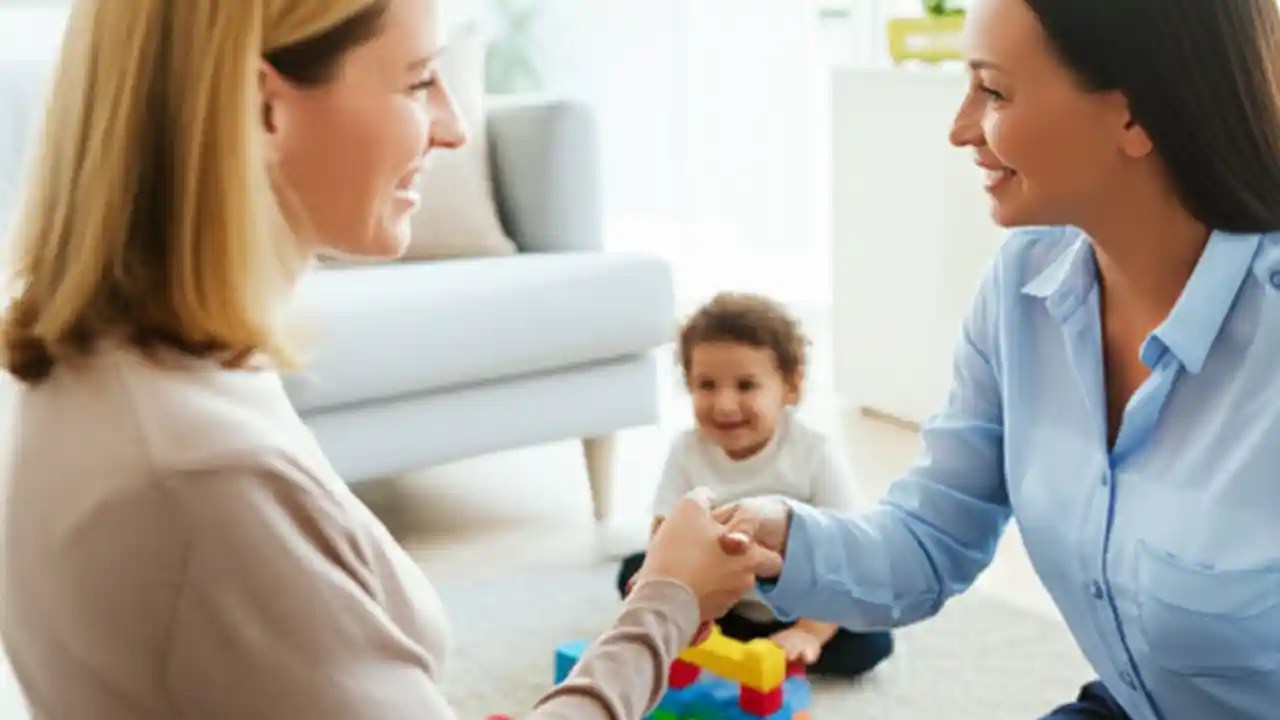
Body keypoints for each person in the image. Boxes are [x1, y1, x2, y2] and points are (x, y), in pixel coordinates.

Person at [0, 1, 779, 718]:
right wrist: (666, 603)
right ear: (263, 108)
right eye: (416, 83)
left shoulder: (119, 364)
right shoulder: (203, 480)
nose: (452, 127)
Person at [717, 1, 1280, 719]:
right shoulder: (1023, 291)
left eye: (993, 92)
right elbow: (927, 541)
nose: (959, 130)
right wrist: (771, 539)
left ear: (1133, 117)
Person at [616, 292, 892, 676]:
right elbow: (664, 532)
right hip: (721, 605)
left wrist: (809, 633)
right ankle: (718, 644)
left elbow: (847, 555)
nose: (725, 404)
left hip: (806, 607)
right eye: (706, 385)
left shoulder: (814, 453)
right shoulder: (687, 450)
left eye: (746, 386)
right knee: (635, 570)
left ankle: (788, 649)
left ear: (791, 387)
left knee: (872, 640)